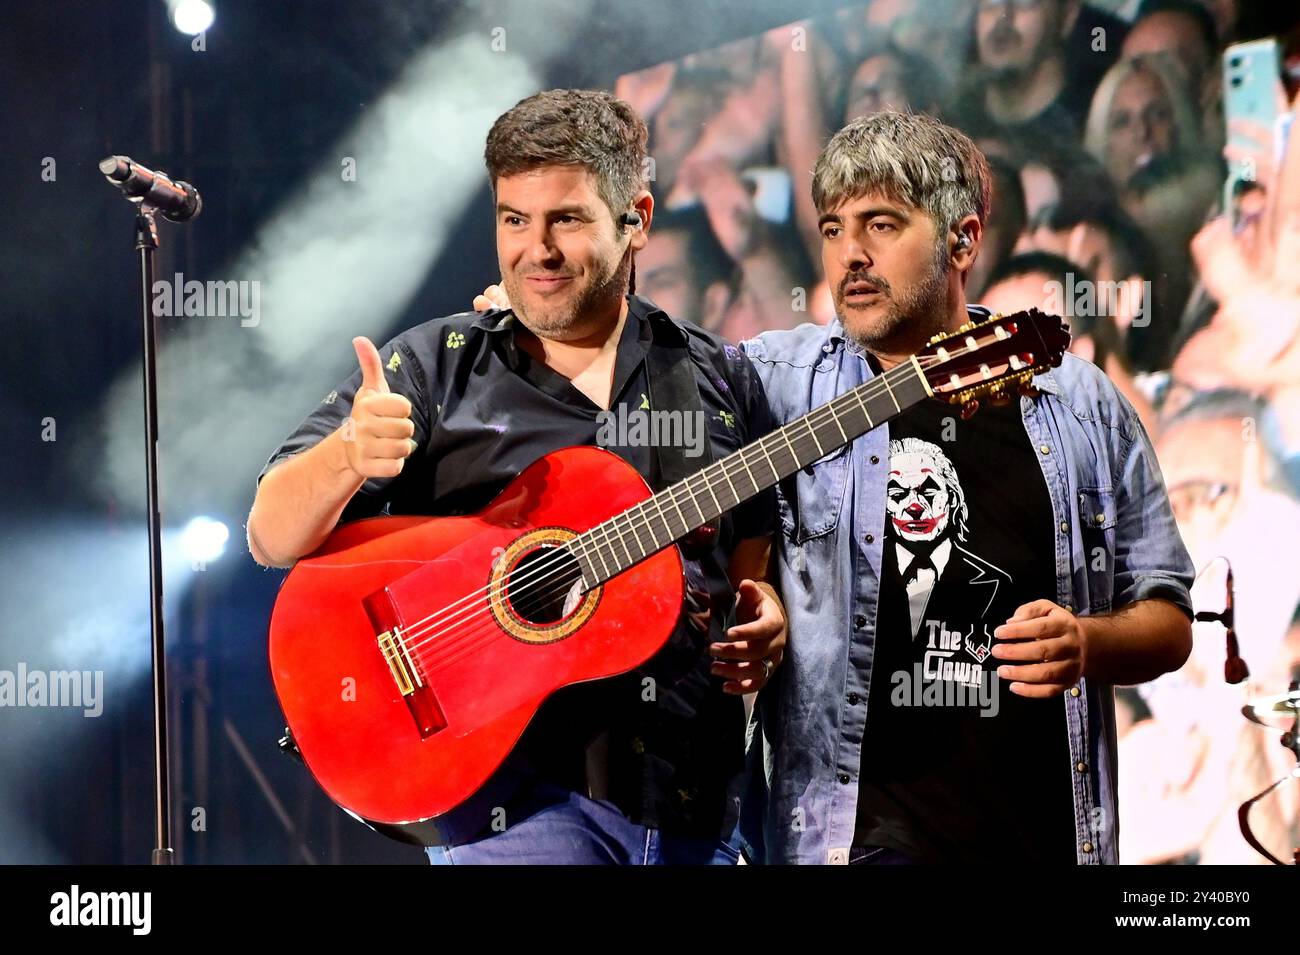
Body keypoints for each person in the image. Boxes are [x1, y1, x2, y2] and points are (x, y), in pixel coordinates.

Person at [246, 89, 788, 865]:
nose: (537, 249)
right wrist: (345, 457)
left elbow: (751, 542)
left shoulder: (715, 373)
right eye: (513, 220)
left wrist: (761, 605)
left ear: (636, 216)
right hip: (512, 811)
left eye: (565, 218)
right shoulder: (435, 364)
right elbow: (270, 533)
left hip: (694, 806)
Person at [737, 110, 1195, 865]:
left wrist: (1086, 641)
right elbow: (646, 375)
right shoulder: (780, 381)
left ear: (964, 240)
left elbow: (1169, 618)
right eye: (831, 229)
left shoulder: (1079, 402)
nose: (849, 254)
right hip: (855, 842)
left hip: (1044, 836)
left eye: (880, 225)